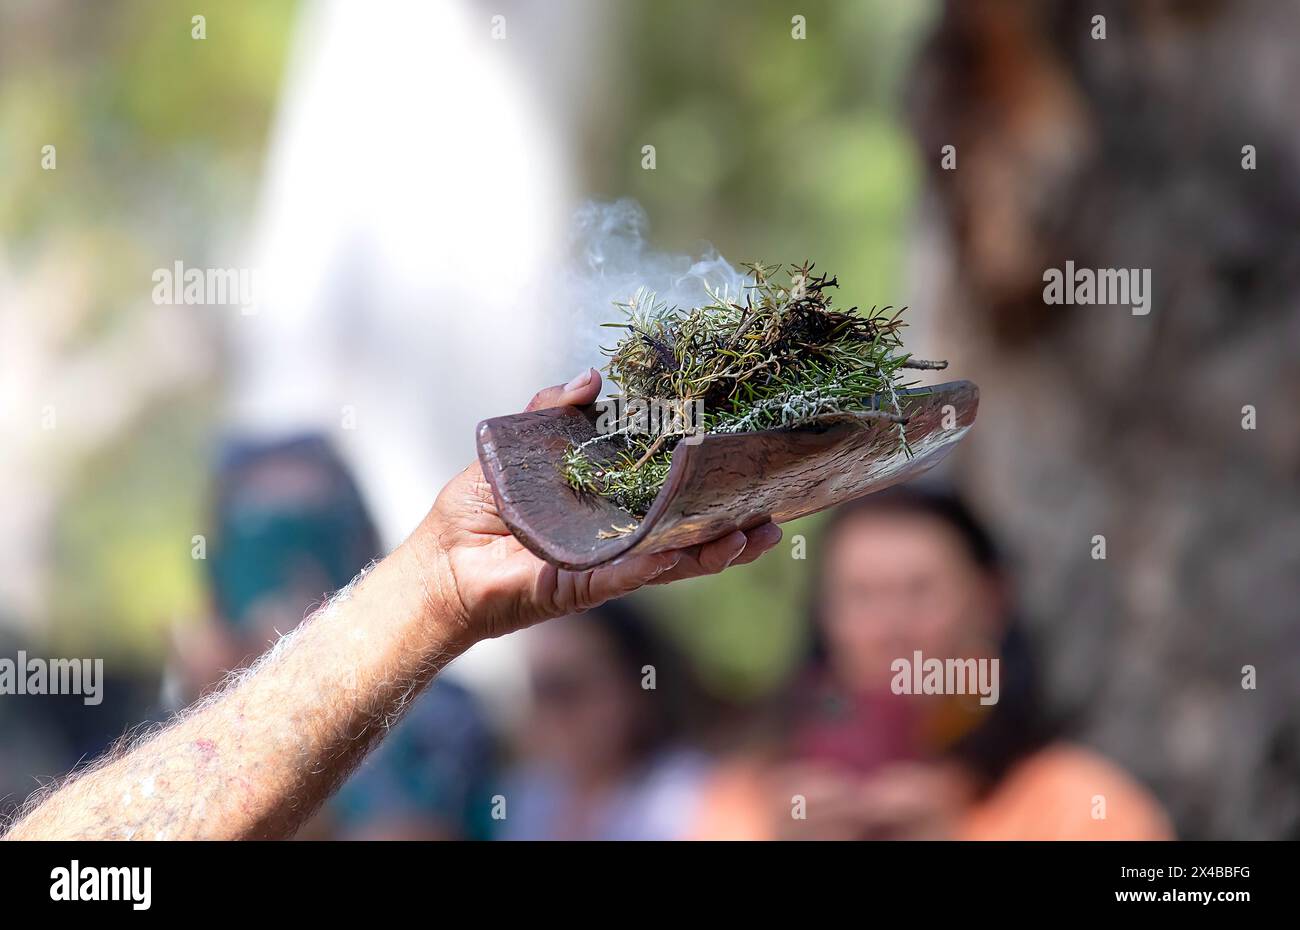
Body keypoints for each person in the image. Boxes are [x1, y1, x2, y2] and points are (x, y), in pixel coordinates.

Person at [0, 371, 782, 841]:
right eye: (259, 544)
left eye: (314, 537)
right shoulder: (161, 722)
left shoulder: (438, 722)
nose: (288, 578)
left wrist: (434, 591)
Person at [695, 486, 1173, 840]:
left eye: (920, 592)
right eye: (860, 597)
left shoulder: (1079, 804)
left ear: (991, 600)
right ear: (824, 618)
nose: (890, 629)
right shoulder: (754, 803)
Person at [498, 600, 709, 840]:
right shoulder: (531, 793)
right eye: (540, 688)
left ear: (636, 689)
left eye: (569, 686)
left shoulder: (689, 797)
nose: (553, 710)